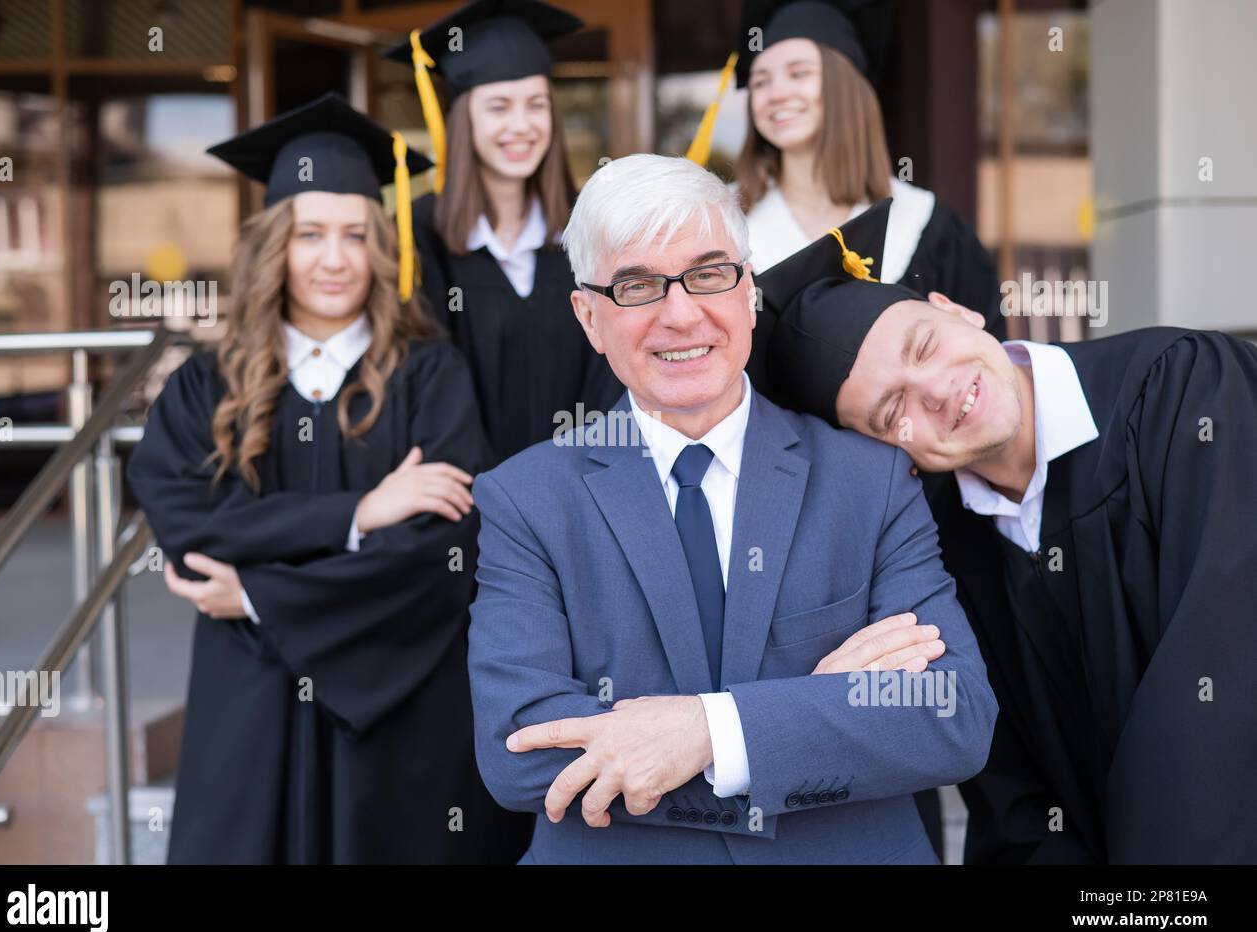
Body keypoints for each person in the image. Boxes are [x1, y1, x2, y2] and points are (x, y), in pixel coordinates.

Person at [465, 153, 997, 864]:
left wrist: (709, 734)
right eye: (637, 286)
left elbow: (949, 713)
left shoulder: (869, 480)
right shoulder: (527, 499)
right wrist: (814, 715)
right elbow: (520, 751)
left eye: (710, 273)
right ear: (589, 317)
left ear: (749, 292)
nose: (681, 314)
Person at [751, 199, 1257, 863]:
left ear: (955, 308)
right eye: (892, 410)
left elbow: (1216, 698)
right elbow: (1015, 808)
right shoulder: (946, 562)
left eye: (924, 345)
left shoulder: (1186, 393)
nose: (934, 391)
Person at [127, 93, 528, 863]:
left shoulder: (429, 378)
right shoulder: (207, 387)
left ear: (381, 248)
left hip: (396, 705)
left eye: (354, 235)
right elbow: (191, 525)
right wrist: (363, 512)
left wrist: (255, 595)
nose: (334, 258)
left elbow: (442, 557)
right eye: (309, 234)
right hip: (247, 707)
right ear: (273, 246)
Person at [384, 0, 620, 463]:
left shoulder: (591, 228)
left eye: (536, 104)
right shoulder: (415, 239)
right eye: (498, 106)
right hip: (463, 504)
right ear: (463, 120)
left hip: (583, 496)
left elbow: (611, 373)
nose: (521, 125)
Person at [725, 0, 1004, 338]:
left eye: (798, 73)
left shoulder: (929, 228)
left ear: (846, 86)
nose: (776, 93)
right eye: (760, 82)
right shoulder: (726, 226)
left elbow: (988, 351)